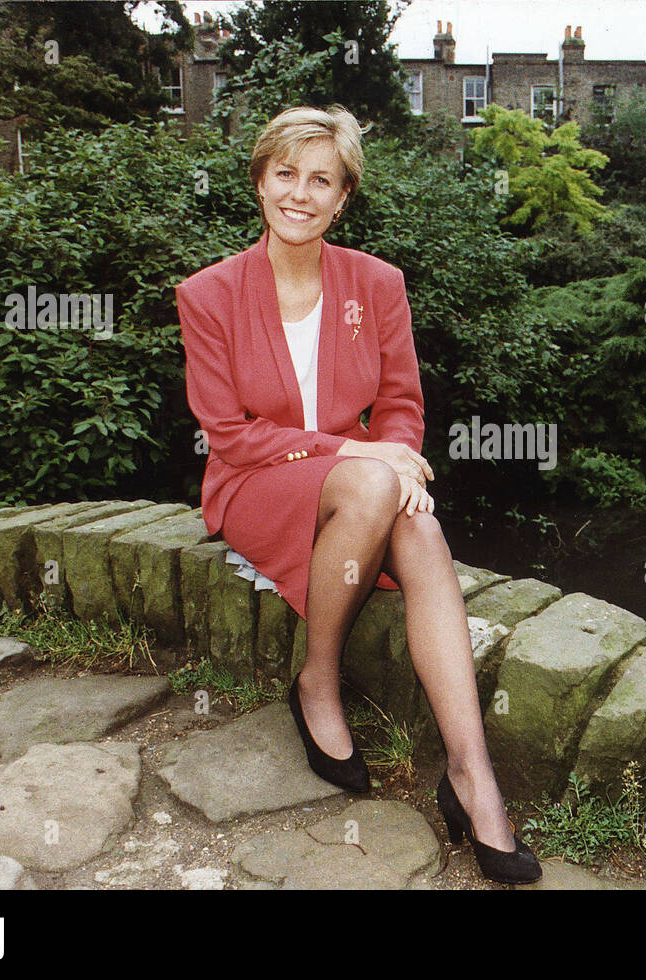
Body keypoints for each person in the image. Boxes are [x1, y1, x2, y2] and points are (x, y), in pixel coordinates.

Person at [175, 104, 540, 884]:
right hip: (255, 486)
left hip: (358, 487)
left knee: (422, 531)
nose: (300, 194)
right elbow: (229, 435)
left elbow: (402, 403)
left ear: (343, 197)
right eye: (285, 174)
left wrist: (398, 457)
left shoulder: (376, 284)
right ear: (259, 181)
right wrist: (364, 452)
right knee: (379, 485)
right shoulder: (208, 295)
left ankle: (473, 775)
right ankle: (318, 678)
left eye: (321, 180)